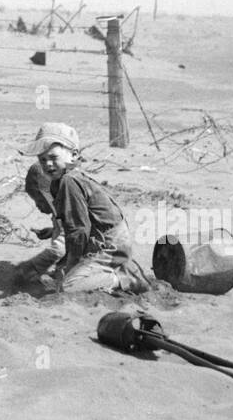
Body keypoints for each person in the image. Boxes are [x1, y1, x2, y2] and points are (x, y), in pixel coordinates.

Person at [10, 122, 149, 295]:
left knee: (69, 286)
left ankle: (126, 278)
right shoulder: (64, 179)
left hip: (111, 244)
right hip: (104, 240)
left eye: (53, 157)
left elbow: (78, 230)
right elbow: (75, 221)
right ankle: (117, 267)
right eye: (42, 160)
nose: (48, 164)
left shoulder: (70, 182)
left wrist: (72, 265)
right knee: (64, 274)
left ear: (73, 155)